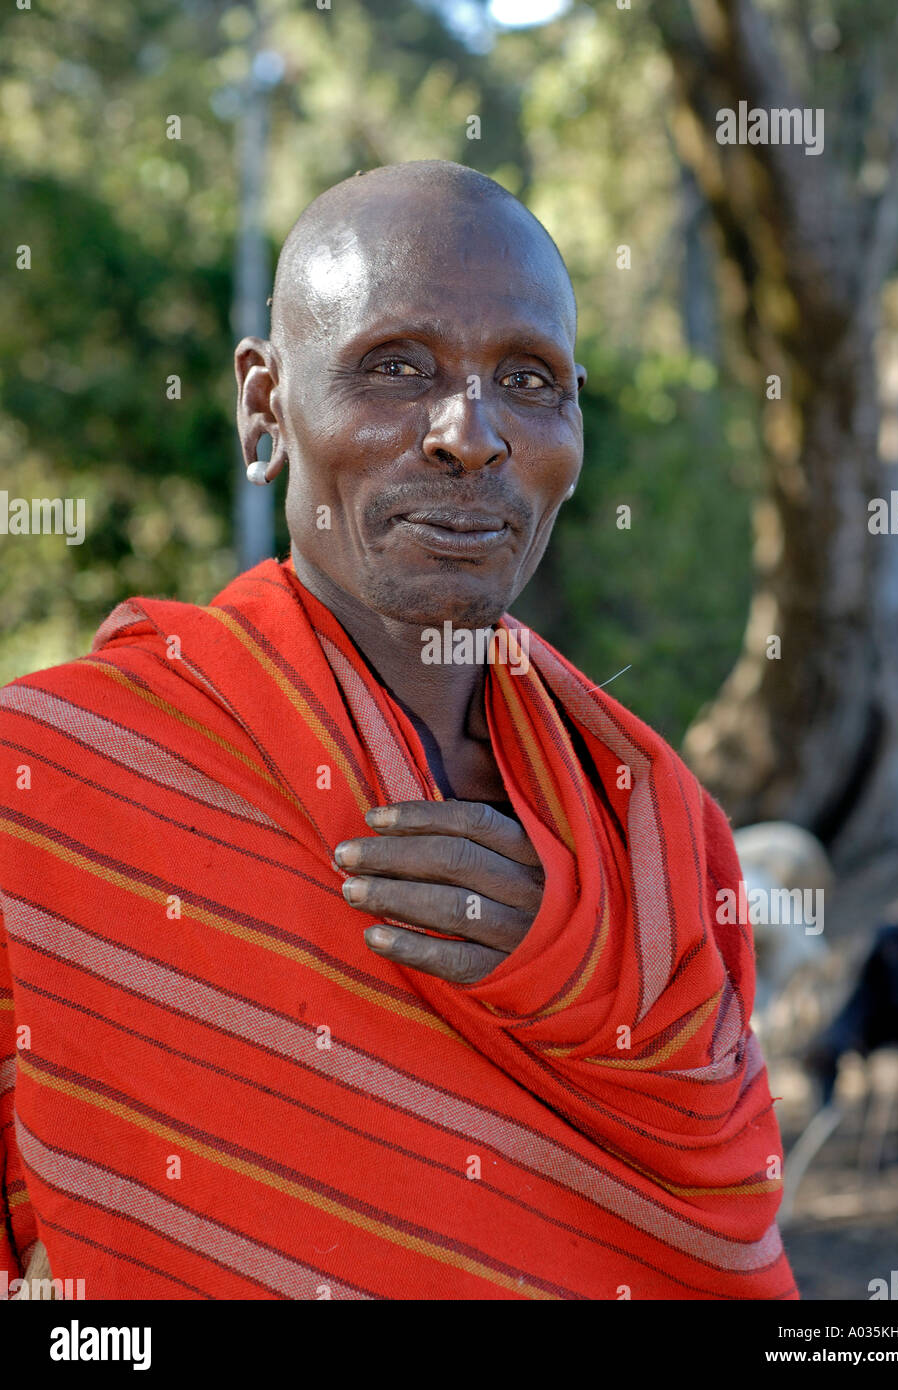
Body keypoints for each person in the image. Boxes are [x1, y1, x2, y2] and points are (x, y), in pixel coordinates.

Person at [0, 160, 796, 1300]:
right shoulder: (55, 779)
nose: (470, 435)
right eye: (395, 366)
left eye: (528, 379)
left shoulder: (653, 834)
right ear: (264, 406)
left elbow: (719, 1228)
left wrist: (567, 955)